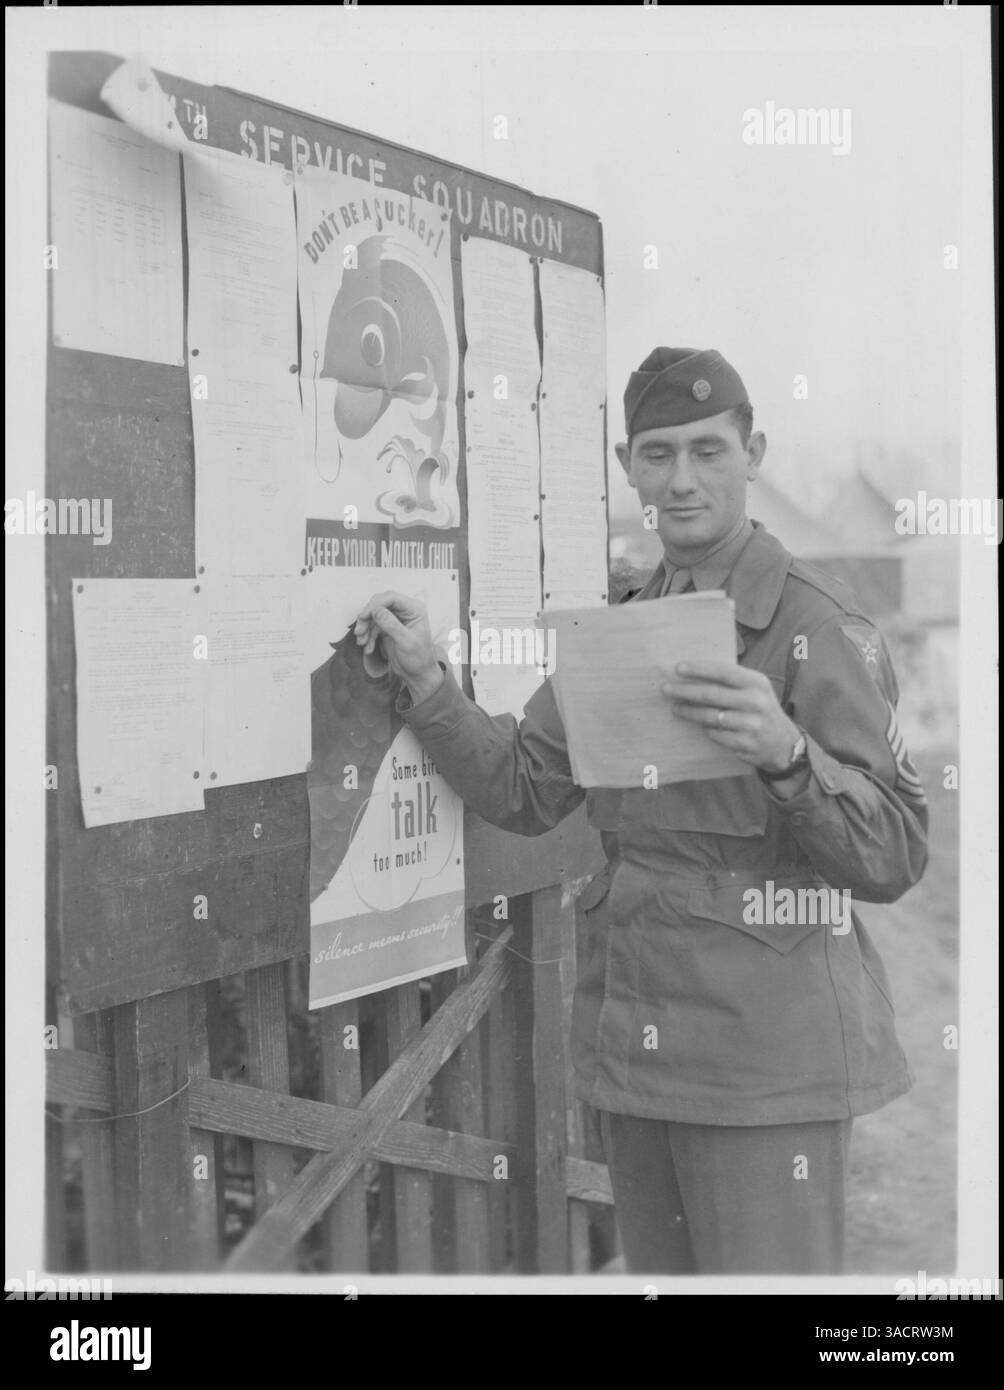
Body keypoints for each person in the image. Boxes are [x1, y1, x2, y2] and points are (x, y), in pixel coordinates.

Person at [353, 346, 929, 1274]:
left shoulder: (819, 631)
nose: (684, 479)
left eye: (709, 450)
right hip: (640, 1050)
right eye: (657, 454)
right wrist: (428, 682)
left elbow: (897, 853)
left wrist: (787, 753)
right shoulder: (619, 624)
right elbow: (526, 788)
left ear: (755, 455)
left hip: (765, 1074)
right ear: (629, 468)